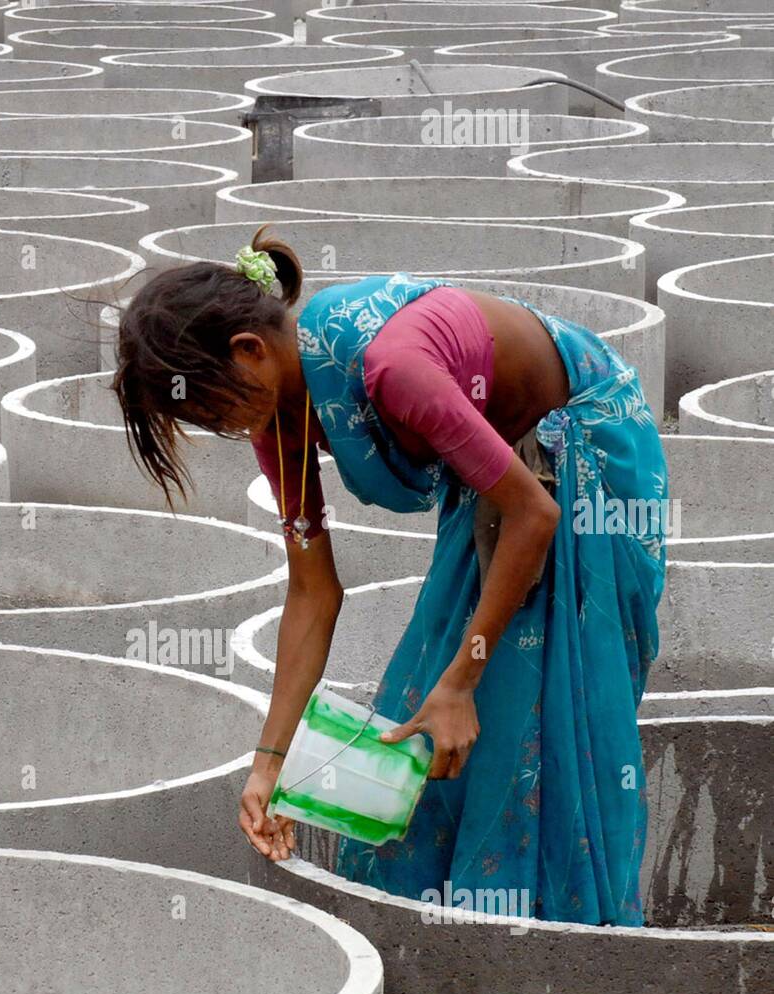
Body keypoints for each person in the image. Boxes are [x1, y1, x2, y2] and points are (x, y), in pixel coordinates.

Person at [112, 228, 668, 926]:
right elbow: (313, 592)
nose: (223, 428)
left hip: (581, 451)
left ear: (250, 352)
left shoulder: (392, 367)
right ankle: (470, 933)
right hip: (501, 478)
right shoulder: (275, 419)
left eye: (211, 409)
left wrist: (462, 682)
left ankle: (576, 938)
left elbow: (534, 514)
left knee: (538, 714)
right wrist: (269, 763)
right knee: (426, 725)